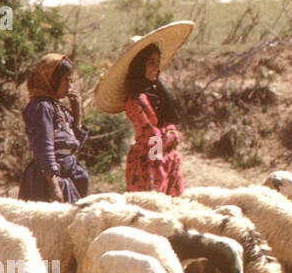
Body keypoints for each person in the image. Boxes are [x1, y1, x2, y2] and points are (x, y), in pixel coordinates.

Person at [93, 22, 195, 197]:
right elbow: (151, 136)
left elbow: (169, 123)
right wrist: (159, 165)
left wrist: (169, 142)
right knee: (152, 211)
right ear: (140, 65)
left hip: (166, 159)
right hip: (149, 165)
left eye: (158, 62)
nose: (156, 68)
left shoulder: (157, 93)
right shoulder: (135, 99)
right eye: (151, 63)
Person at [19, 53, 89, 202]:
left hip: (67, 172)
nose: (70, 86)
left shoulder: (59, 108)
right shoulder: (41, 107)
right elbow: (44, 146)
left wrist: (78, 114)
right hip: (50, 178)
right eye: (66, 80)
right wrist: (54, 185)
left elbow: (74, 145)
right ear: (51, 79)